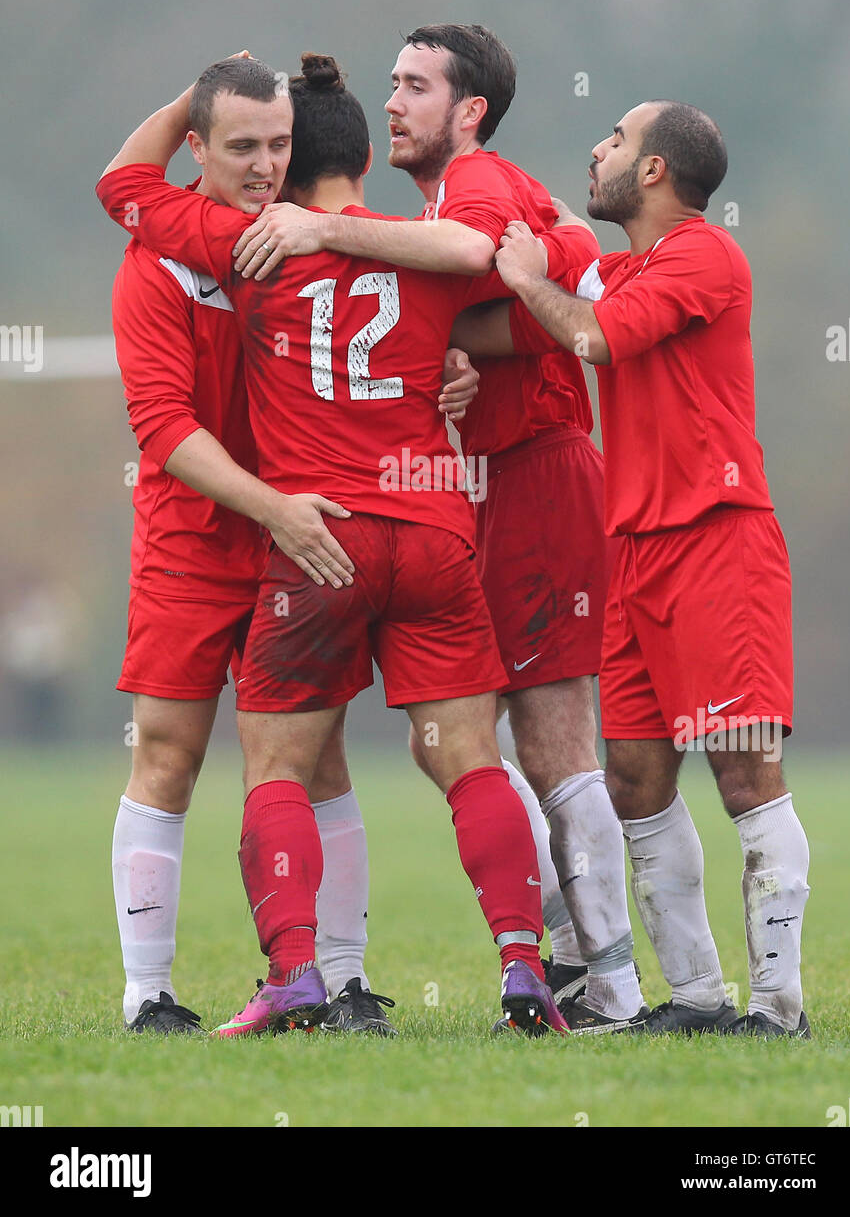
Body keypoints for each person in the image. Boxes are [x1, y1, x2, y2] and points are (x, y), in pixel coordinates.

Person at [97, 53, 570, 1037]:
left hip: (321, 543)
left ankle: (321, 980)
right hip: (270, 530)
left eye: (276, 144)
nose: (264, 164)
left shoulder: (256, 247)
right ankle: (153, 994)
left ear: (300, 152)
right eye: (240, 145)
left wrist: (443, 359)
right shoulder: (403, 246)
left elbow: (120, 187)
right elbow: (533, 268)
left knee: (300, 764)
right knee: (180, 754)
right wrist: (456, 346)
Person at [232, 25, 645, 1032]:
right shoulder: (421, 222)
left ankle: (610, 989)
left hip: (523, 477)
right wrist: (462, 347)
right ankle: (537, 962)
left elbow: (517, 252)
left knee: (548, 742)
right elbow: (528, 270)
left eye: (415, 85)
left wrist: (322, 233)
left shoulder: (476, 186)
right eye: (389, 87)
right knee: (458, 750)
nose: (396, 101)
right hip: (449, 506)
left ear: (469, 112)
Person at [492, 99, 810, 1037]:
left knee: (746, 773)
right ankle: (701, 1001)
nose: (599, 149)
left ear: (659, 172)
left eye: (617, 140)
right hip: (634, 556)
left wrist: (520, 270)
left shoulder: (706, 256)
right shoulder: (628, 269)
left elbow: (590, 334)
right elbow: (559, 307)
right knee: (634, 780)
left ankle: (779, 1011)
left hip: (719, 542)